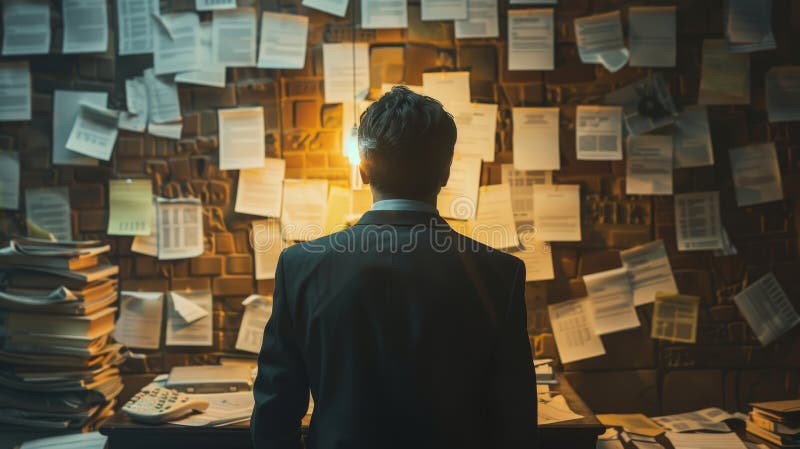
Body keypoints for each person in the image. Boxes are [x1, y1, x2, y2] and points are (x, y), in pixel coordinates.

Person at [251, 86, 538, 449]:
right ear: (446, 171)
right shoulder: (501, 274)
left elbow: (275, 413)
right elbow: (516, 422)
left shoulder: (299, 267)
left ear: (363, 170)